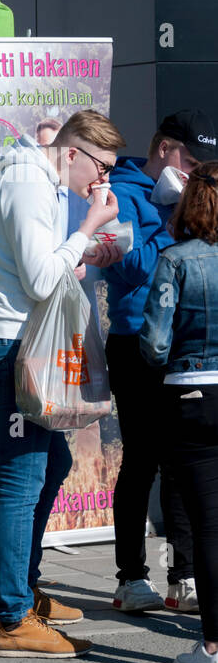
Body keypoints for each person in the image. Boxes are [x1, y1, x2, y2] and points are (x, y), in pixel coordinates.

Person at [0, 109, 126, 658]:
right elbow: (36, 280)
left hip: (13, 341)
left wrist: (78, 251)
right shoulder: (31, 182)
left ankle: (23, 593)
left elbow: (37, 269)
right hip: (9, 346)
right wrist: (85, 231)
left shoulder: (45, 181)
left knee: (50, 463)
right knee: (24, 473)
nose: (101, 181)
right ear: (74, 152)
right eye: (101, 167)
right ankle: (12, 617)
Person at [105, 110, 215, 613]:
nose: (192, 173)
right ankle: (131, 576)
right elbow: (129, 268)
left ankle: (185, 575)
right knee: (143, 460)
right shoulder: (122, 189)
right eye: (188, 160)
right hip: (135, 341)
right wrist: (170, 222)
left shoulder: (187, 192)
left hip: (182, 347)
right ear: (166, 148)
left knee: (183, 464)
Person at [140, 160, 218, 663]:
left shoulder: (174, 261)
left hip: (190, 396)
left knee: (207, 524)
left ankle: (211, 649)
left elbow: (155, 343)